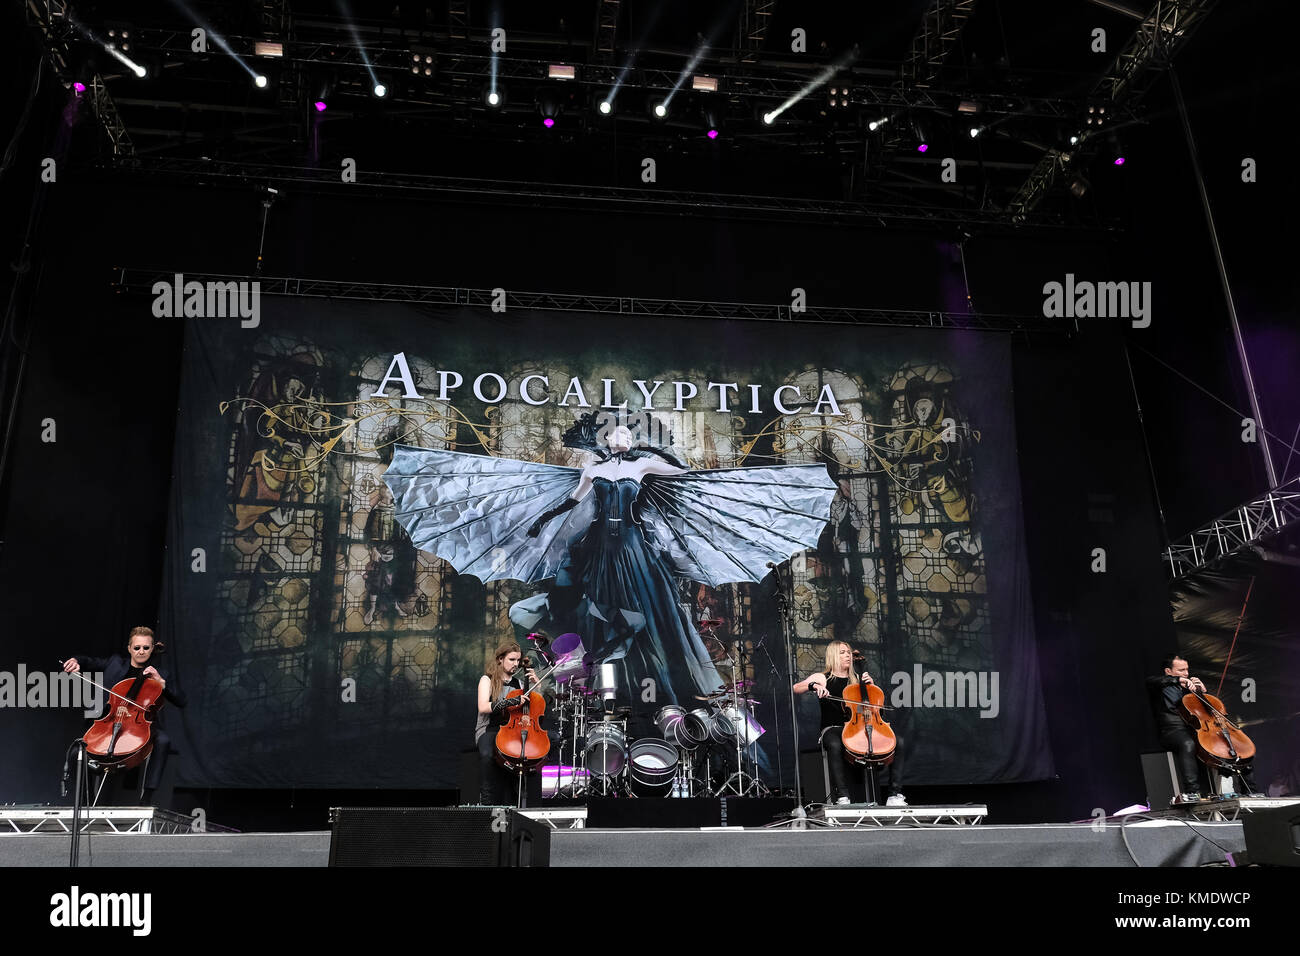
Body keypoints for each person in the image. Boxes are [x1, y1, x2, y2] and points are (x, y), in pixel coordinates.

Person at [63, 626, 187, 806]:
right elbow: (89, 661)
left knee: (163, 741)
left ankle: (147, 798)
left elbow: (182, 700)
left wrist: (161, 682)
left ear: (152, 649)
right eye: (137, 648)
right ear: (129, 648)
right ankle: (85, 800)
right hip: (109, 721)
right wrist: (76, 661)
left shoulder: (161, 675)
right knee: (76, 753)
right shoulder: (115, 663)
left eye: (146, 648)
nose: (141, 651)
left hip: (140, 726)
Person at [794, 641, 906, 807]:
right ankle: (843, 796)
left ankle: (894, 794)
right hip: (834, 728)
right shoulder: (823, 677)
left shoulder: (857, 680)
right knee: (834, 743)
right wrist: (814, 686)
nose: (847, 655)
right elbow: (796, 687)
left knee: (899, 741)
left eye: (848, 652)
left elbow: (875, 710)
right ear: (833, 655)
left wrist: (871, 689)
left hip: (859, 728)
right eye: (842, 652)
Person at [1146, 654, 1258, 802]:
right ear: (1168, 671)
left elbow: (1207, 711)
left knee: (1238, 747)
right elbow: (1150, 681)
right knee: (1188, 744)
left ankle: (1250, 790)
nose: (1186, 673)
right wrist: (1178, 680)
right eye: (1181, 670)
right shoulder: (1160, 686)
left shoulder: (1190, 688)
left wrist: (1201, 692)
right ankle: (1192, 792)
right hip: (1173, 730)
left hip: (1197, 729)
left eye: (1187, 669)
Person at [476, 640, 544, 806]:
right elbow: (483, 707)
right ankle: (487, 800)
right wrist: (511, 702)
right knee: (486, 755)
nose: (516, 664)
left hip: (512, 730)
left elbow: (531, 707)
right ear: (500, 659)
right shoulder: (487, 680)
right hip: (490, 729)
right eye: (512, 660)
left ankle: (524, 800)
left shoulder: (520, 684)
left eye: (518, 660)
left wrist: (537, 685)